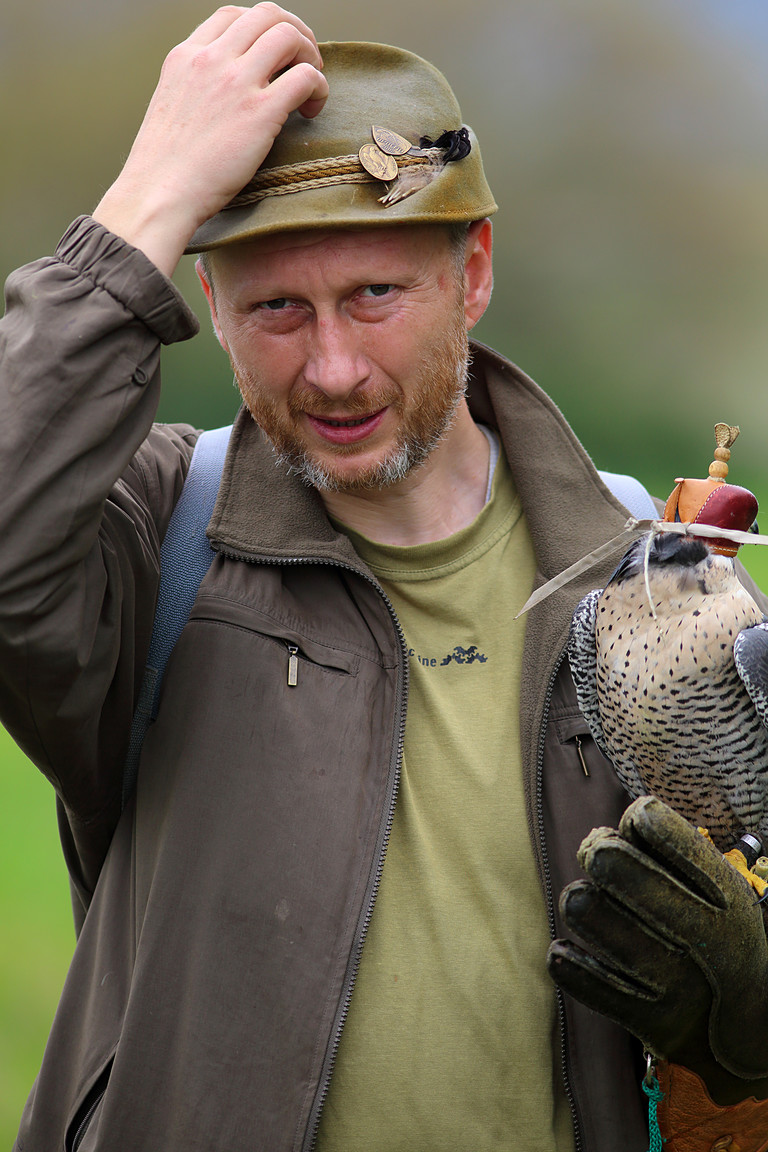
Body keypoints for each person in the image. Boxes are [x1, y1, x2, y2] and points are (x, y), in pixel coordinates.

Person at [2, 5, 768, 1150]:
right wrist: (144, 205)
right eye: (275, 309)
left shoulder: (652, 581)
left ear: (474, 276)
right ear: (205, 308)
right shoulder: (150, 539)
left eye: (375, 294)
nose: (334, 367)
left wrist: (749, 1014)